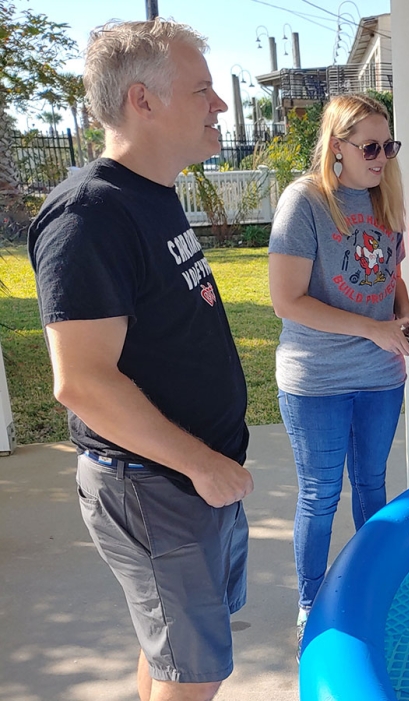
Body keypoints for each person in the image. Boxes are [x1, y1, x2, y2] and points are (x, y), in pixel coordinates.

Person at [27, 20, 251, 701]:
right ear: (142, 102)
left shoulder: (150, 195)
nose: (219, 106)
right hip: (155, 485)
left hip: (179, 481)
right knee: (196, 669)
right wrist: (201, 463)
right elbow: (83, 382)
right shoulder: (89, 215)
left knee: (171, 654)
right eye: (203, 90)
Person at [267, 94, 409, 646]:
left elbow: (391, 278)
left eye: (389, 146)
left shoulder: (386, 201)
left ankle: (370, 585)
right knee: (320, 494)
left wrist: (403, 316)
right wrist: (374, 329)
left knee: (373, 485)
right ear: (337, 147)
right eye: (372, 147)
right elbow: (287, 300)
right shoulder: (303, 201)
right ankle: (310, 602)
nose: (383, 158)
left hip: (381, 375)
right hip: (318, 379)